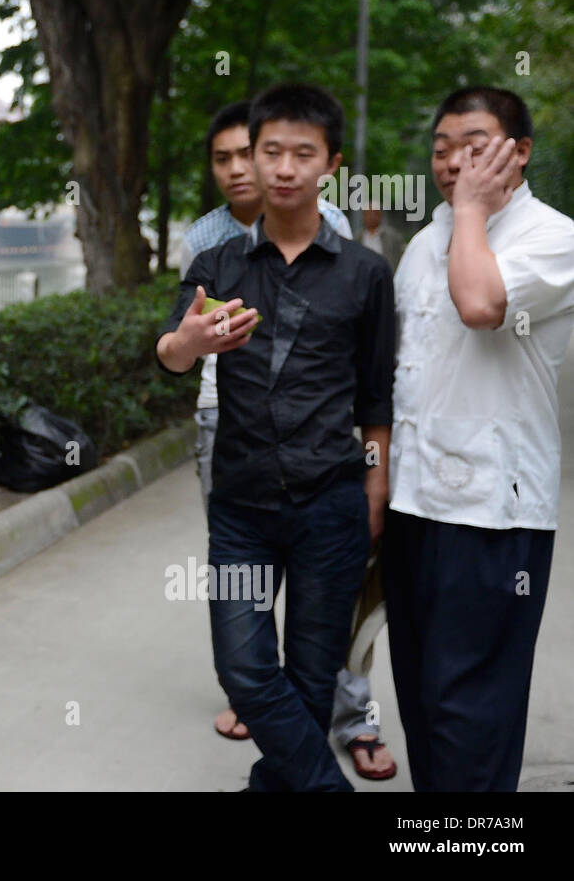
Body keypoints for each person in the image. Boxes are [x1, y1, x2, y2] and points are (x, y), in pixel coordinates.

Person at [156, 83, 395, 791]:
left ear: (332, 164)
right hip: (241, 505)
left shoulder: (364, 273)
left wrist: (376, 477)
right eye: (271, 152)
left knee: (311, 676)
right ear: (253, 160)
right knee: (246, 670)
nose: (285, 167)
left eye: (303, 153)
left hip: (332, 501)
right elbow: (168, 352)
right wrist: (190, 342)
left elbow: (378, 392)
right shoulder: (218, 266)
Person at [384, 85, 574, 791]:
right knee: (425, 701)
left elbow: (480, 303)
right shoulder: (425, 242)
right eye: (440, 148)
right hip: (415, 505)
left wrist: (468, 210)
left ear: (519, 152)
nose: (451, 161)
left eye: (472, 144)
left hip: (495, 515)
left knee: (473, 712)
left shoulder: (554, 237)